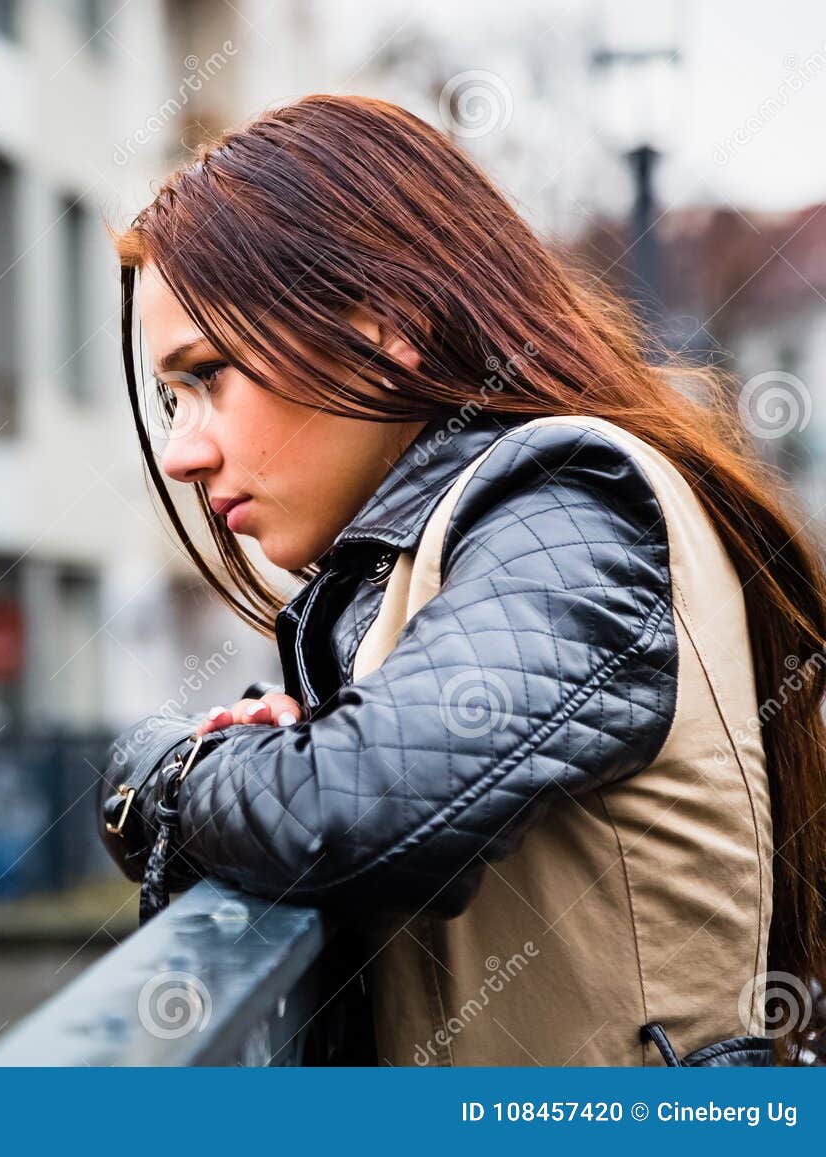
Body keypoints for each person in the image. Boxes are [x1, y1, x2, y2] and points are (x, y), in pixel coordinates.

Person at [98, 94, 826, 1067]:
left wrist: (156, 769)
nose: (182, 452)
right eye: (169, 398)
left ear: (385, 324)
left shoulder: (568, 501)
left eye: (209, 376)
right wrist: (307, 739)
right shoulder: (444, 543)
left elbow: (348, 812)